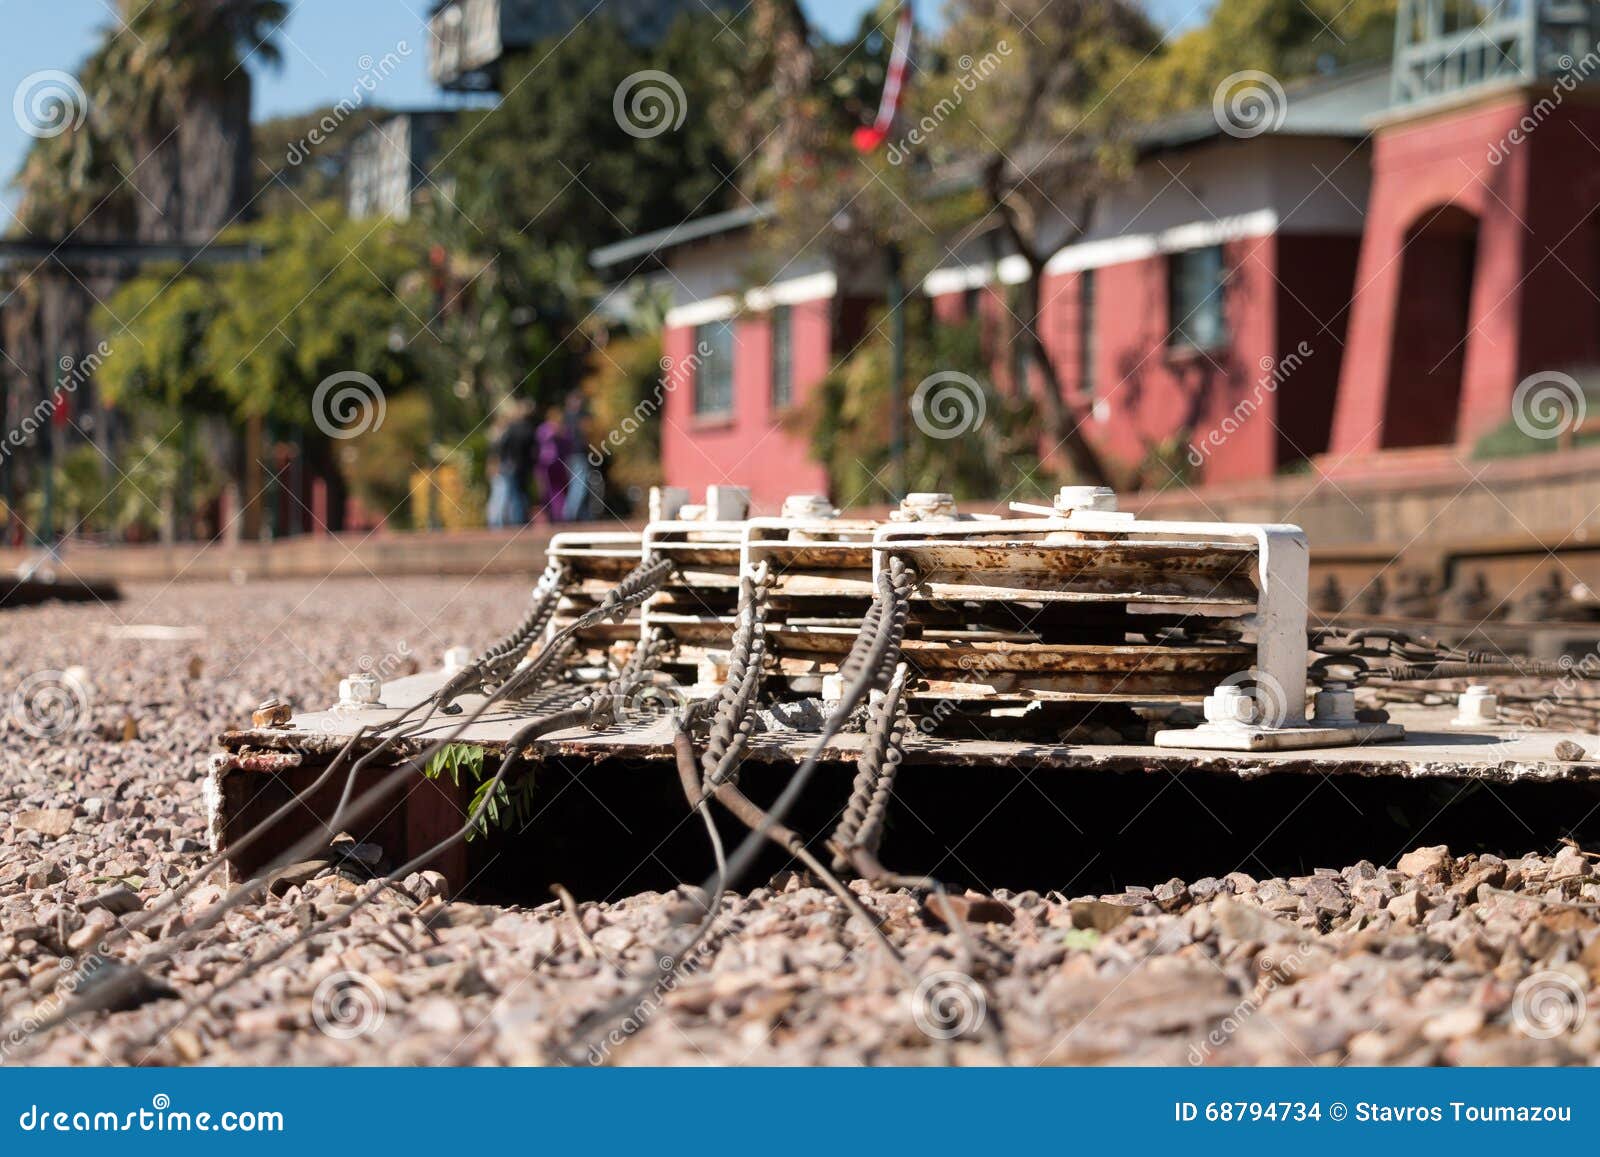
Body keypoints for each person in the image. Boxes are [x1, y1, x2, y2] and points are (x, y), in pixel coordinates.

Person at [487, 403, 536, 528]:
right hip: (508, 466)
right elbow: (497, 451)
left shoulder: (505, 431)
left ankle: (500, 521)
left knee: (505, 494)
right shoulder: (504, 432)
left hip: (508, 466)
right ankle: (499, 522)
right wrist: (496, 464)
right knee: (504, 494)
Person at [561, 391, 594, 523]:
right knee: (579, 484)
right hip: (577, 454)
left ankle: (579, 513)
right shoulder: (578, 418)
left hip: (571, 455)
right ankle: (570, 513)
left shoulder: (566, 418)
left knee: (578, 484)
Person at [535, 406, 571, 521]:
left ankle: (557, 515)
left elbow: (539, 444)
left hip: (548, 464)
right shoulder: (562, 430)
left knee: (552, 490)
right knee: (557, 491)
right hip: (557, 464)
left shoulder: (545, 429)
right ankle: (558, 515)